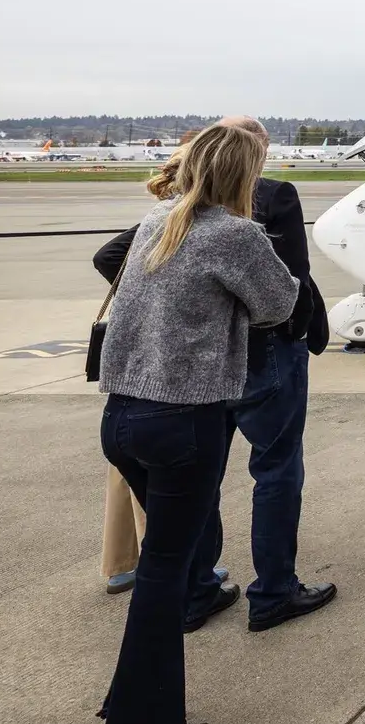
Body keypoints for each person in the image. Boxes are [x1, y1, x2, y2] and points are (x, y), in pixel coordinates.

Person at [93, 116, 336, 631]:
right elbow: (286, 289)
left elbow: (109, 256)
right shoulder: (259, 207)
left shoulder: (165, 214)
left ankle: (199, 587)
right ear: (254, 157)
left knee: (198, 480)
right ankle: (273, 591)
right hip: (263, 357)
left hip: (179, 383)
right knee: (275, 470)